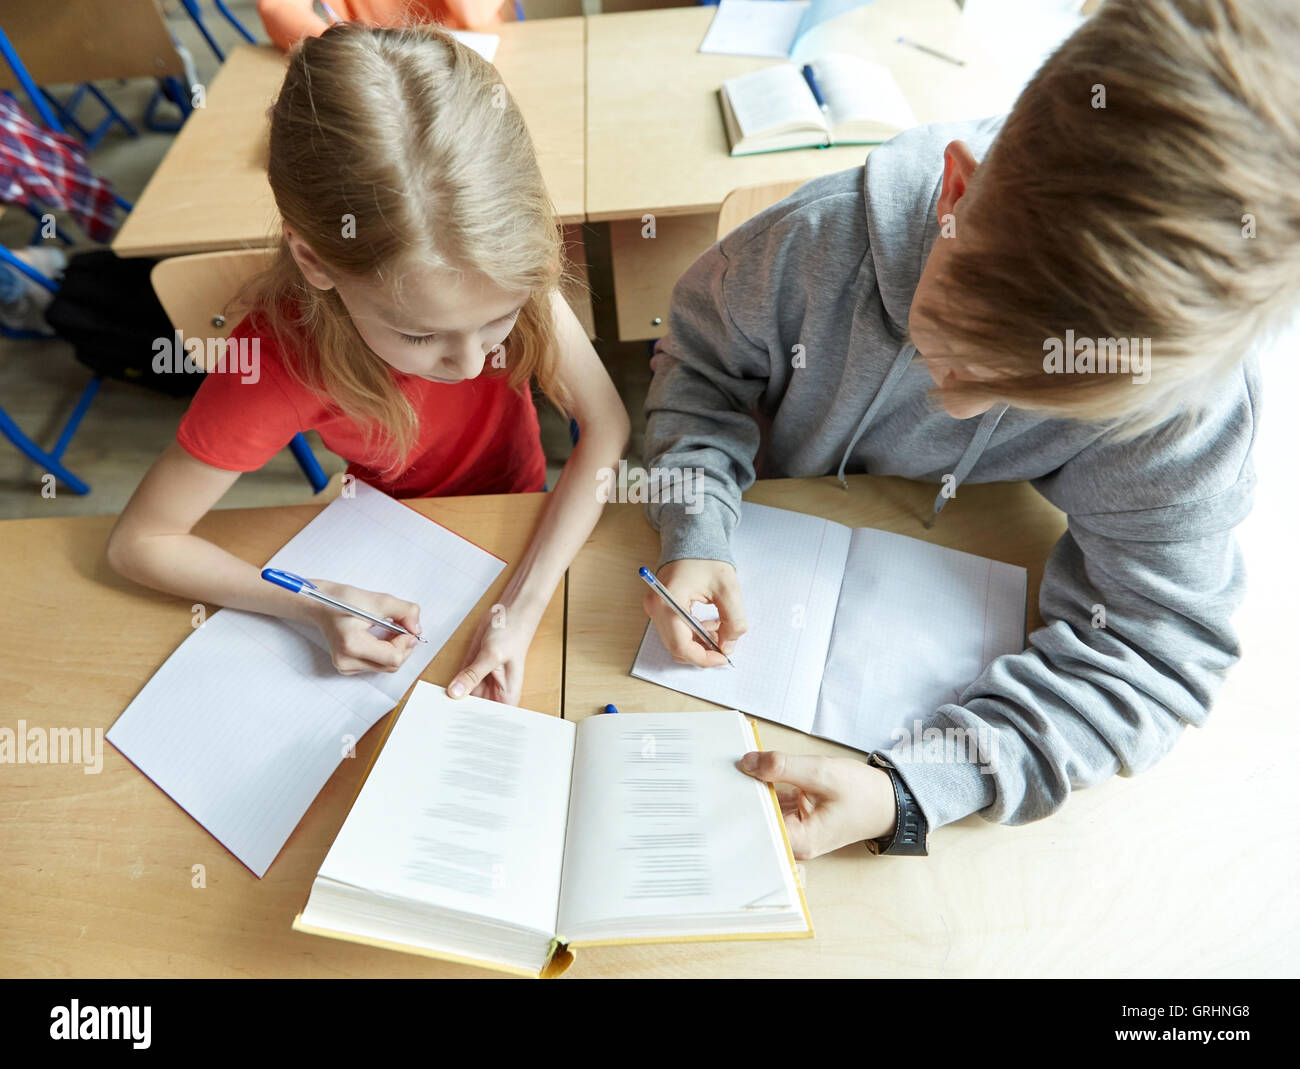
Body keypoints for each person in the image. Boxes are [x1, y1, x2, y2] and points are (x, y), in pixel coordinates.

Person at [641, 0, 1297, 858]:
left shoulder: (1181, 399)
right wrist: (697, 522)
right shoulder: (806, 248)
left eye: (1035, 398)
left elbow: (1155, 650)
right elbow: (696, 368)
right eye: (954, 352)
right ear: (954, 193)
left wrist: (913, 787)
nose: (959, 408)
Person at [107, 24, 629, 707]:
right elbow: (138, 541)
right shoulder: (277, 361)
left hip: (516, 507)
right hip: (386, 544)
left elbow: (608, 424)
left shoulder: (488, 255)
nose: (471, 363)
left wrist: (521, 608)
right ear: (315, 261)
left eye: (497, 321)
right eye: (419, 335)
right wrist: (311, 603)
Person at [257, 0, 505, 53]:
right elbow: (277, 8)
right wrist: (349, 45)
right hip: (359, 54)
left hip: (472, 53)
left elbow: (474, 12)